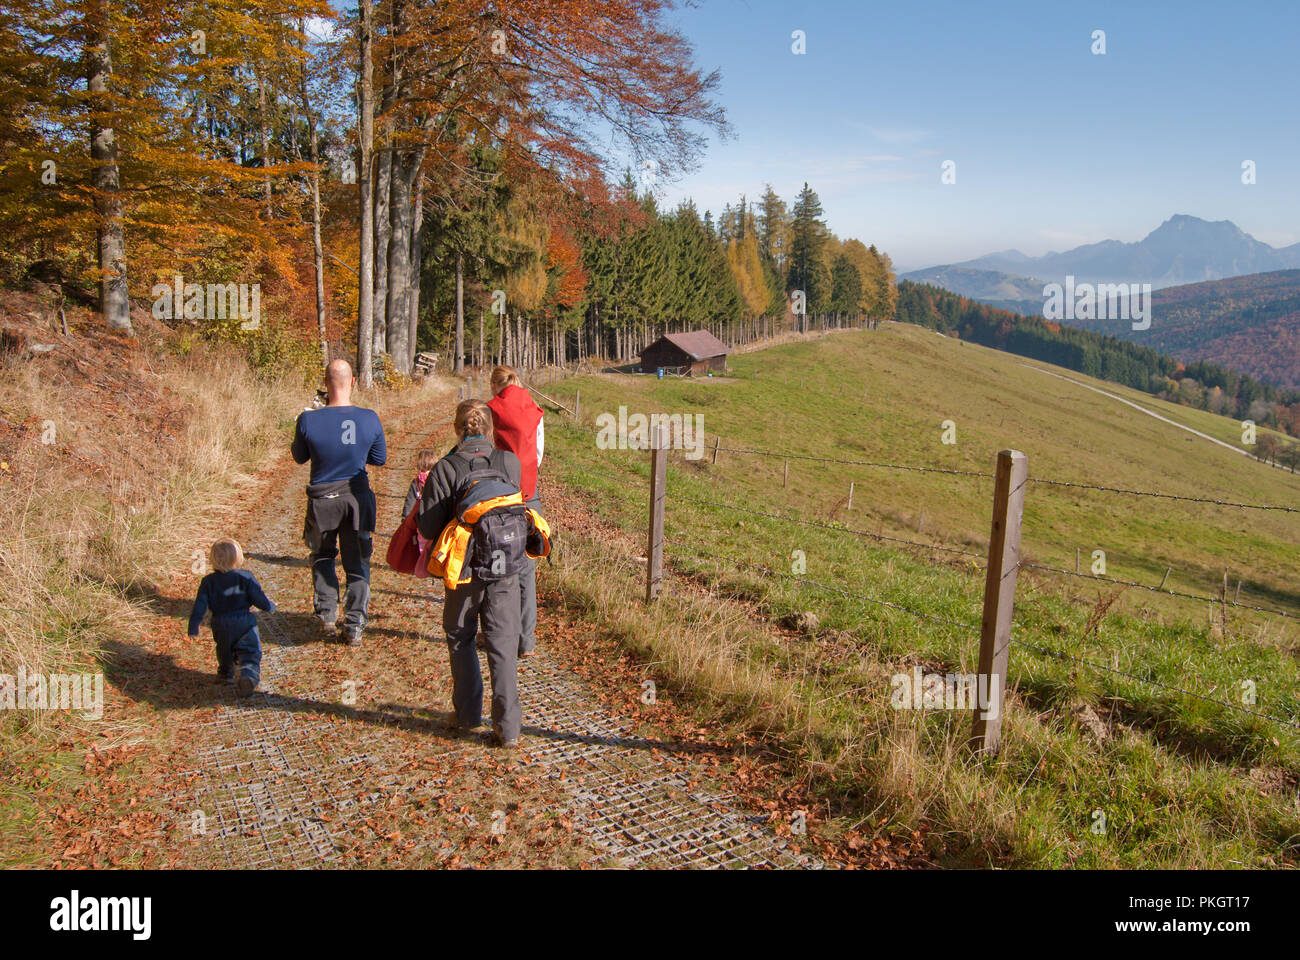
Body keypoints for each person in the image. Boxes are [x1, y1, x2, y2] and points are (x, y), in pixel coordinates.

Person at [417, 400, 525, 747]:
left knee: (461, 638)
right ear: (490, 429)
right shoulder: (509, 461)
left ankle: (467, 716)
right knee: (503, 643)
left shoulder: (446, 468)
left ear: (456, 428)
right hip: (505, 566)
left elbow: (428, 525)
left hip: (463, 570)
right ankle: (508, 728)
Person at [291, 358, 387, 645]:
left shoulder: (308, 419)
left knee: (322, 555)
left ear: (325, 383)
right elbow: (379, 458)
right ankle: (355, 624)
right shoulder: (369, 418)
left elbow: (299, 457)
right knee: (357, 561)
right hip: (356, 498)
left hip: (322, 498)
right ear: (353, 382)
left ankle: (328, 615)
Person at [486, 365, 544, 657]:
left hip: (498, 497)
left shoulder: (491, 410)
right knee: (526, 570)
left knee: (494, 565)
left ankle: (498, 634)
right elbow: (538, 454)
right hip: (528, 495)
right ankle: (526, 641)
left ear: (495, 385)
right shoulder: (534, 409)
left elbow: (484, 453)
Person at [187, 538, 275, 698]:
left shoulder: (208, 582)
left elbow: (199, 605)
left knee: (224, 649)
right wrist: (268, 606)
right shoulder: (246, 577)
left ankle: (226, 674)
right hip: (245, 622)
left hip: (220, 622)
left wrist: (193, 626)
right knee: (250, 650)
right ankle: (248, 673)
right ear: (238, 557)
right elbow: (257, 597)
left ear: (213, 559)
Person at [402, 448, 438, 518]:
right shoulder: (439, 482)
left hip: (417, 523)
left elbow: (408, 506)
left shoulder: (416, 483)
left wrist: (404, 520)